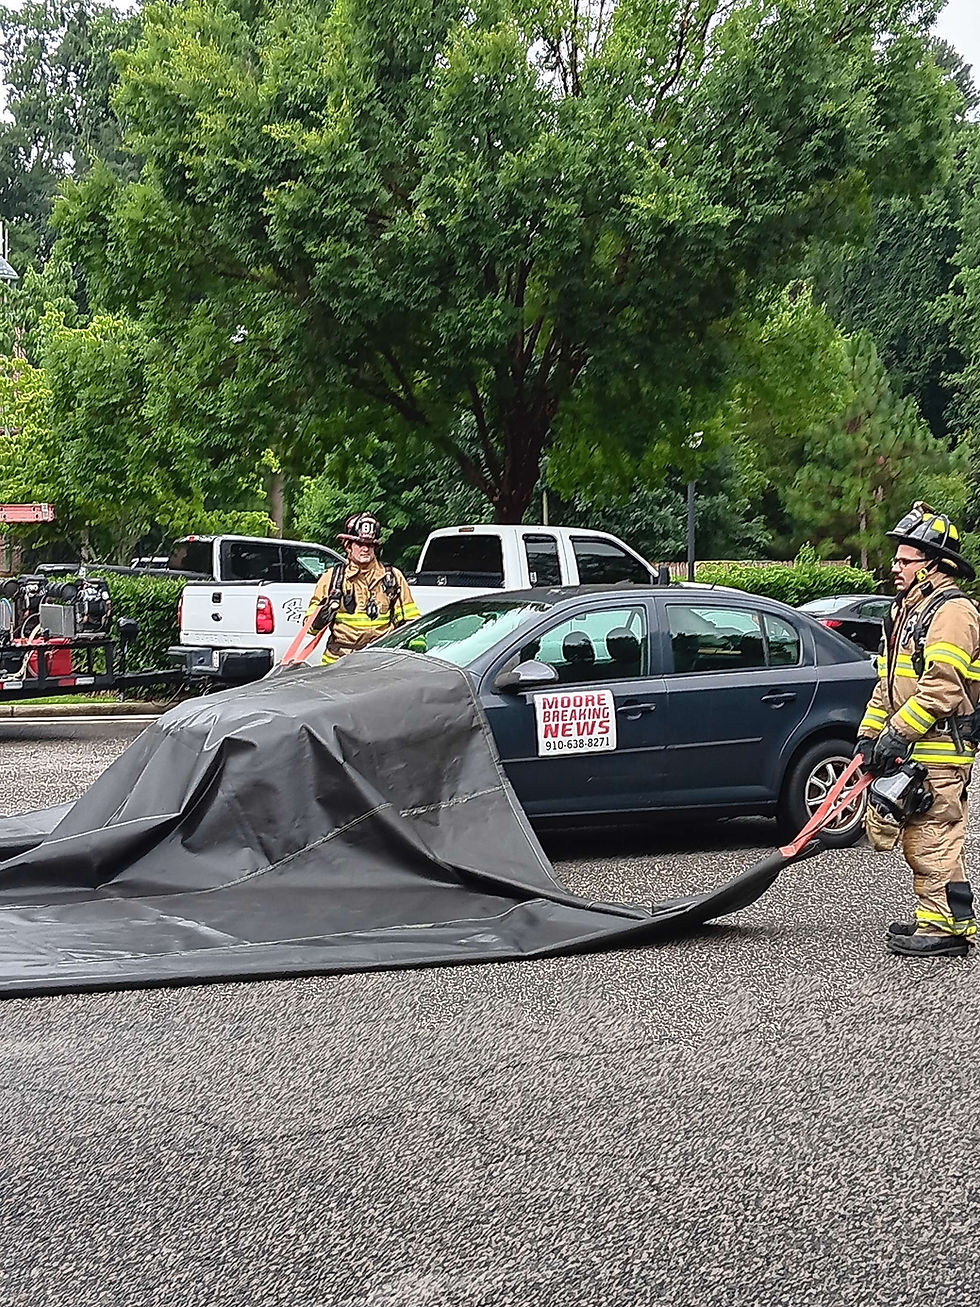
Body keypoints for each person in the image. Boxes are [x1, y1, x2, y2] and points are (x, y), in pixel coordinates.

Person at [855, 503, 980, 958]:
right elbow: (887, 686)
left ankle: (943, 930)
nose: (895, 567)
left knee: (932, 837)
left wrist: (898, 734)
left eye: (905, 560)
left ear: (934, 566)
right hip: (917, 744)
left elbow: (942, 688)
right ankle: (944, 917)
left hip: (941, 748)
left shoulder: (953, 613)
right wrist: (869, 735)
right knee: (928, 837)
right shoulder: (906, 613)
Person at [304, 513, 420, 665]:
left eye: (370, 545)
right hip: (339, 662)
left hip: (380, 661)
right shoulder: (331, 578)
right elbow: (309, 628)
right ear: (348, 546)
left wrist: (416, 650)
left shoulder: (392, 577)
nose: (365, 549)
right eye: (359, 544)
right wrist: (321, 617)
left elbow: (411, 619)